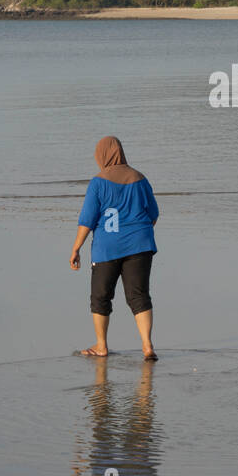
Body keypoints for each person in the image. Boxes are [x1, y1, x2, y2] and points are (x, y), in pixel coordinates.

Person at [70, 136, 160, 361]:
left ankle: (101, 346)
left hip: (107, 249)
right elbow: (154, 215)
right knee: (139, 296)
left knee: (100, 297)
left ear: (101, 156)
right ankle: (147, 346)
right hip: (140, 246)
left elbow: (87, 220)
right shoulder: (140, 178)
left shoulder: (98, 182)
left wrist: (76, 248)